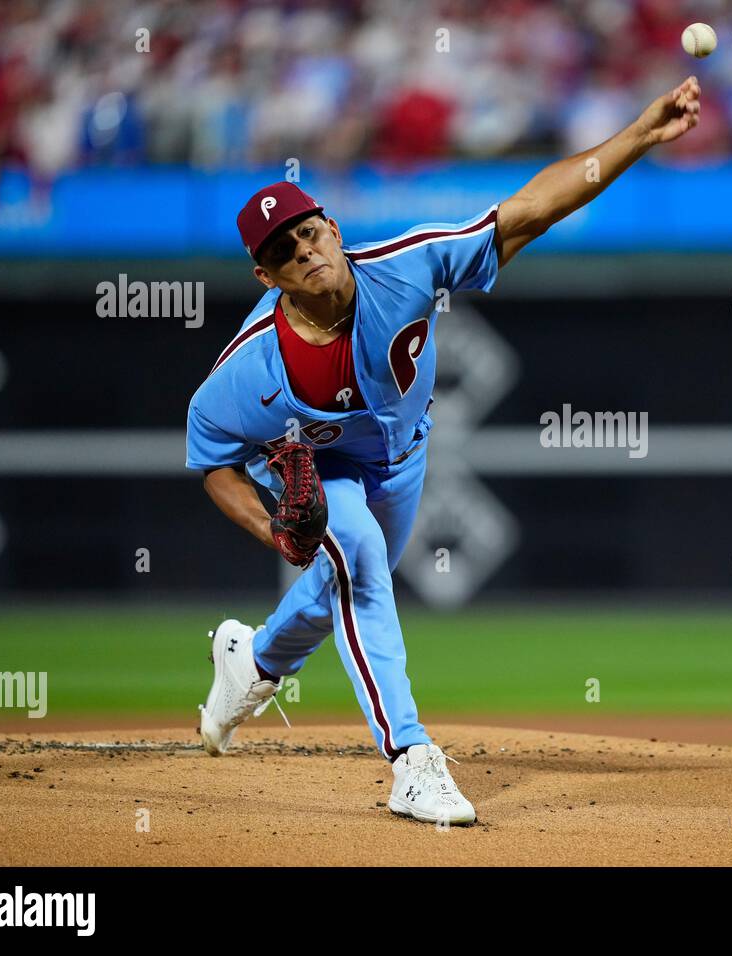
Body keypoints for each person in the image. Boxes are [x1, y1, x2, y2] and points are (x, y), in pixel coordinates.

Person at [186, 77, 702, 825]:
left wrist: (639, 134)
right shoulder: (245, 371)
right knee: (357, 558)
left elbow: (531, 210)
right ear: (266, 276)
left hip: (405, 458)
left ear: (331, 226)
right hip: (325, 475)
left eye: (306, 231)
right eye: (281, 251)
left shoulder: (408, 266)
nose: (302, 250)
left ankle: (254, 660)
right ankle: (411, 761)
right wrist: (271, 528)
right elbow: (210, 461)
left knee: (342, 588)